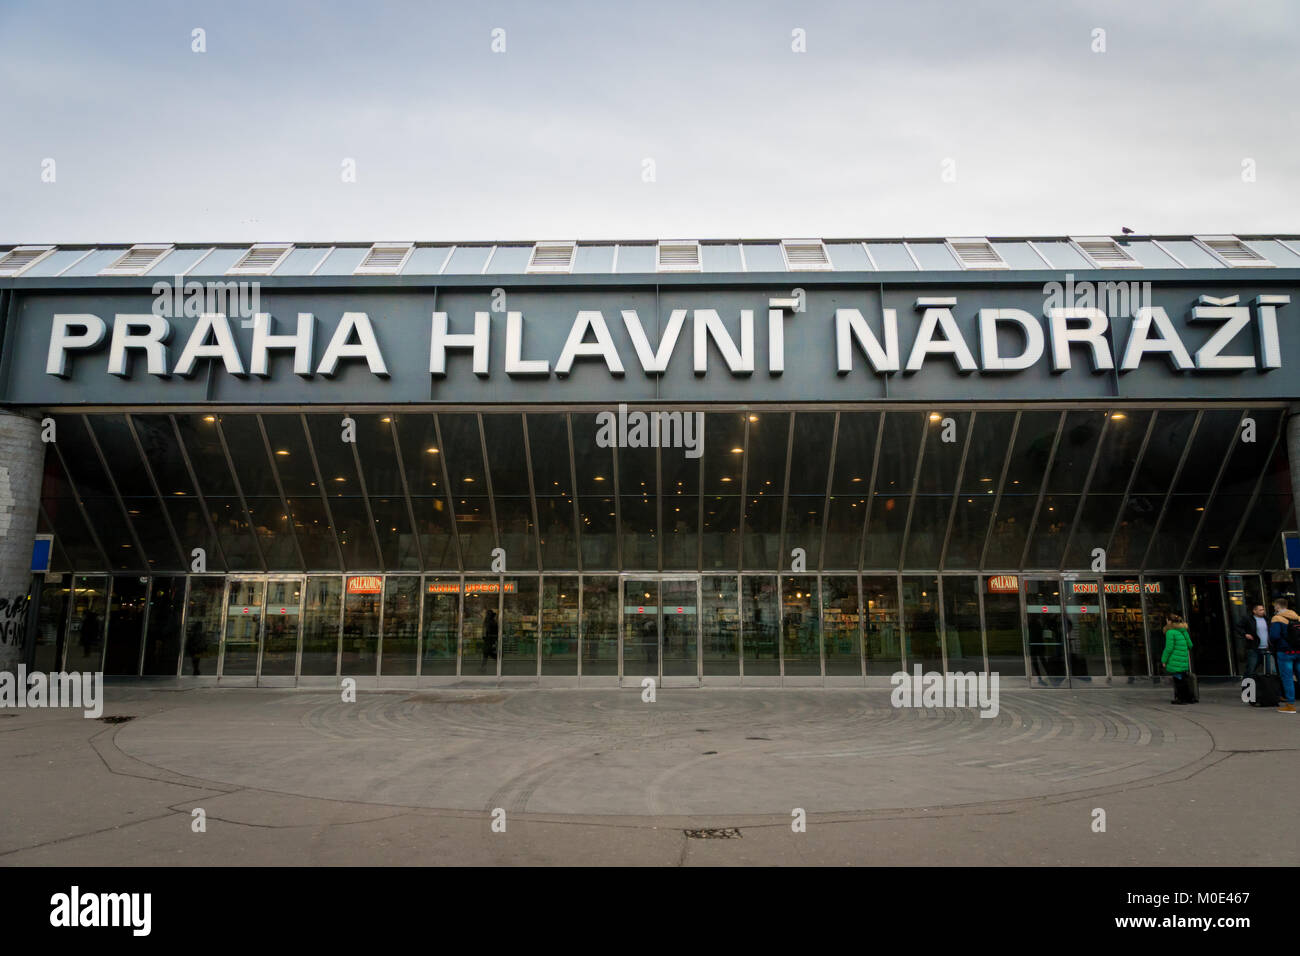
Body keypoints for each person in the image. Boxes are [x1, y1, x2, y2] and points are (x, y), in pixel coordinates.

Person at [1268, 597, 1300, 714]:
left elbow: (1274, 636)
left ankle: (1290, 705)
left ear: (1277, 606)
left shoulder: (1277, 618)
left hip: (1285, 652)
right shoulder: (1297, 617)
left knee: (1287, 679)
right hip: (1298, 651)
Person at [1161, 613, 1195, 704]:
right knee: (1183, 679)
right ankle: (1189, 698)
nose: (1166, 622)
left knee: (1178, 680)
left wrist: (1164, 660)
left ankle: (1181, 699)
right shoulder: (1183, 631)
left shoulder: (1170, 632)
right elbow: (1190, 645)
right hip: (1183, 659)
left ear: (1170, 621)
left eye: (1167, 620)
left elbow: (1169, 648)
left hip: (1174, 660)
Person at [1236, 603, 1271, 678]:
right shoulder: (1248, 619)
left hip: (1266, 648)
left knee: (1269, 670)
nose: (1263, 611)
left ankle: (1267, 687)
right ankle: (1247, 688)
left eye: (1263, 609)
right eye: (1260, 610)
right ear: (1254, 611)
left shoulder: (1267, 619)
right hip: (1253, 648)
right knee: (1250, 669)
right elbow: (1238, 627)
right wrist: (1245, 634)